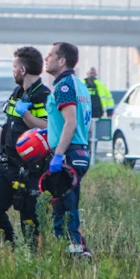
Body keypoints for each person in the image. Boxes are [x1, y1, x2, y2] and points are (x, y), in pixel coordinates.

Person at [0, 45, 49, 246]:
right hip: (6, 165)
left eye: (14, 67)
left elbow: (48, 129)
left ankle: (32, 260)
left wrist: (26, 115)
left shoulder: (43, 96)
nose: (12, 71)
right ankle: (8, 248)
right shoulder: (17, 92)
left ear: (23, 70)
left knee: (30, 222)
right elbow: (6, 126)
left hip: (31, 170)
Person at [43, 41, 93, 258]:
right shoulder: (79, 85)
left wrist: (58, 155)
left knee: (63, 210)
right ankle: (73, 251)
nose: (46, 58)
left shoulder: (63, 86)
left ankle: (76, 253)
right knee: (66, 206)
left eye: (50, 54)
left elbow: (70, 122)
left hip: (68, 154)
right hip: (80, 151)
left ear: (62, 61)